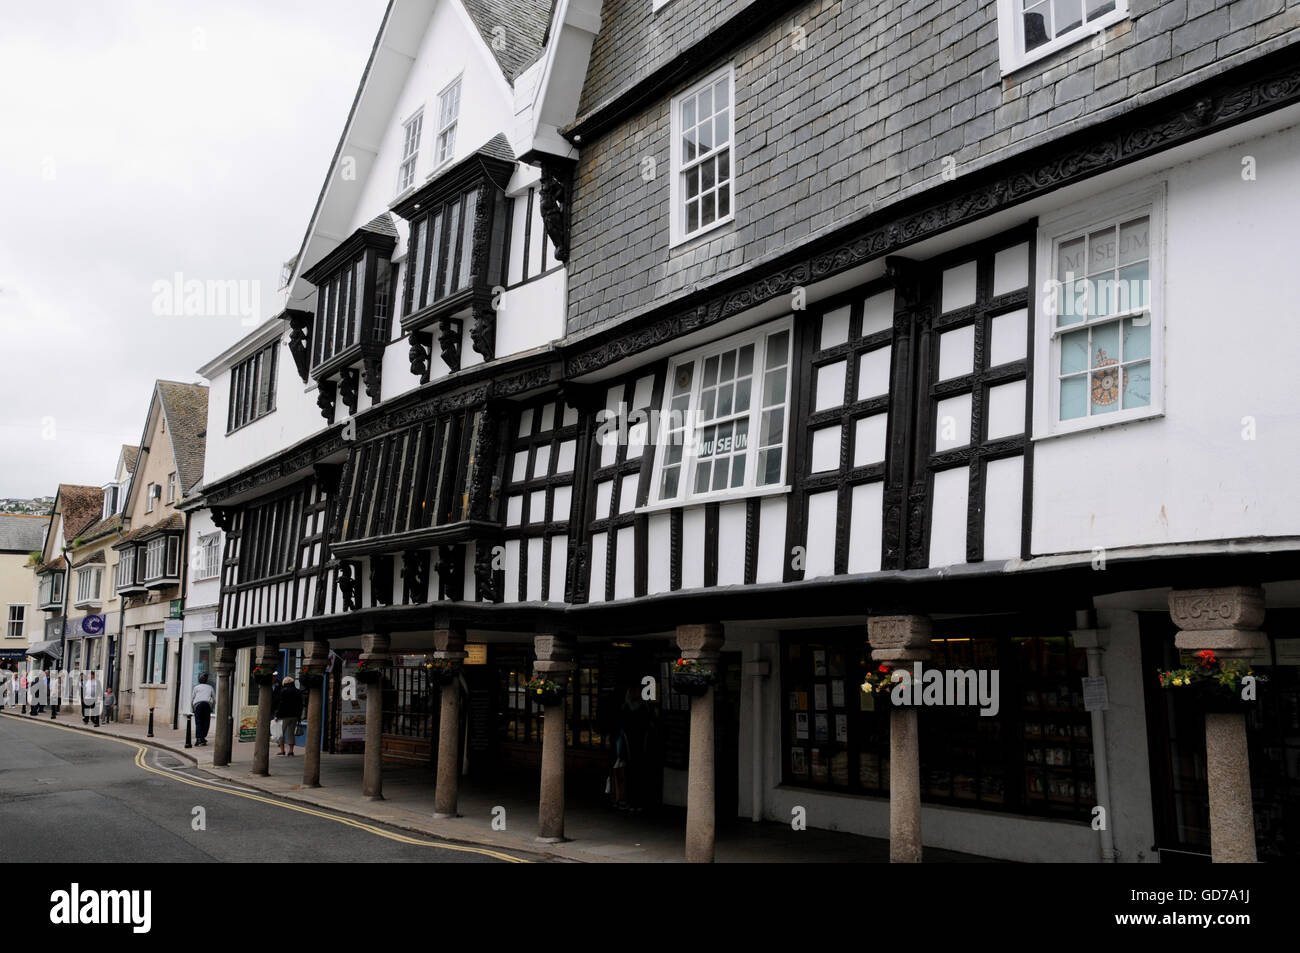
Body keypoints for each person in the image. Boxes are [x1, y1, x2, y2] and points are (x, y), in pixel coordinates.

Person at [275, 676, 303, 757]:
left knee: (280, 733)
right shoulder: (298, 691)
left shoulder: (283, 691)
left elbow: (281, 704)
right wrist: (299, 716)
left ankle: (282, 750)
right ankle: (291, 751)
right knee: (291, 733)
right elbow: (300, 705)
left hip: (284, 716)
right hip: (294, 716)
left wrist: (277, 715)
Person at [191, 673, 215, 746]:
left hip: (198, 705)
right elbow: (214, 699)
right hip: (207, 705)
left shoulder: (196, 687)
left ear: (199, 680)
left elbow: (192, 699)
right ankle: (202, 737)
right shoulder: (210, 687)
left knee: (198, 722)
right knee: (206, 722)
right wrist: (212, 708)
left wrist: (193, 709)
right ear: (206, 680)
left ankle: (199, 739)